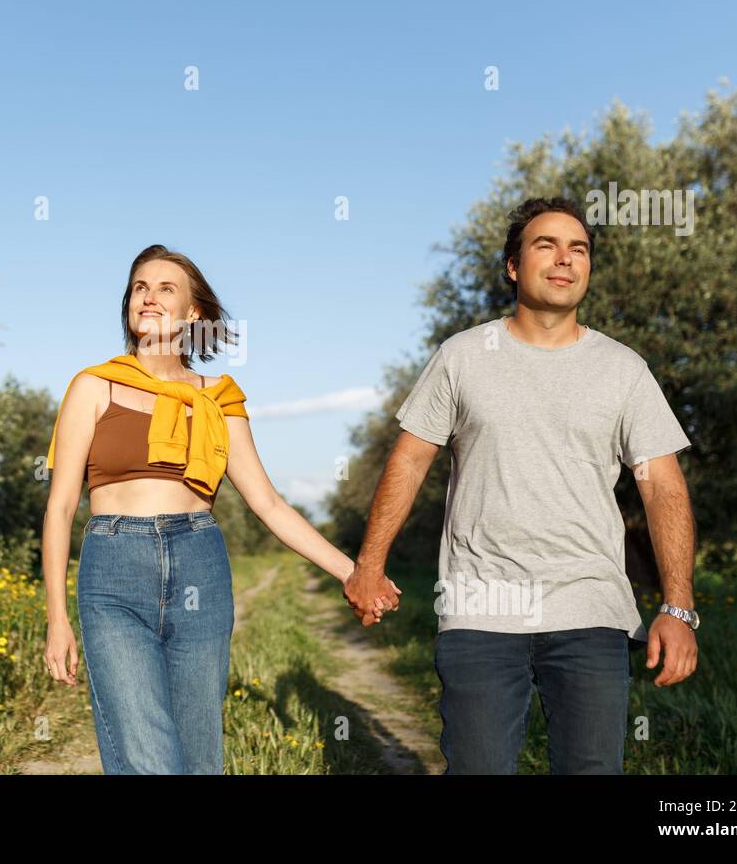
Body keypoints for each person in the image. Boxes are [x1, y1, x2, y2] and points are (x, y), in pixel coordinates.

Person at [344, 196, 699, 774]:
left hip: (592, 609)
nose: (564, 259)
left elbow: (662, 487)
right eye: (546, 245)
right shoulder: (461, 357)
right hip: (480, 608)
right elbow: (409, 462)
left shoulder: (623, 368)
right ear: (513, 266)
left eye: (577, 249)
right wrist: (369, 562)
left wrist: (678, 609)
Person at [41, 243, 400, 774]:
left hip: (199, 564)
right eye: (140, 287)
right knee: (148, 754)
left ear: (193, 314)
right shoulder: (94, 386)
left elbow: (269, 504)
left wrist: (355, 573)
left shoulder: (219, 398)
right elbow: (61, 505)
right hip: (113, 567)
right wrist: (55, 618)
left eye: (166, 289)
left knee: (198, 753)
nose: (148, 297)